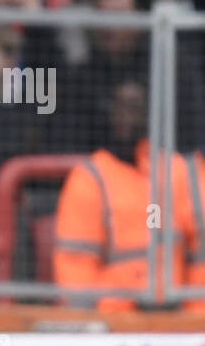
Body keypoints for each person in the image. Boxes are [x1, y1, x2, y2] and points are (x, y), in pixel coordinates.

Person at [54, 78, 205, 312]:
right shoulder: (90, 178)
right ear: (110, 113)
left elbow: (200, 256)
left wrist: (194, 322)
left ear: (149, 114)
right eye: (120, 107)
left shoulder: (179, 172)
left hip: (177, 321)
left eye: (134, 107)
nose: (126, 116)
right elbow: (76, 270)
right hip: (115, 324)